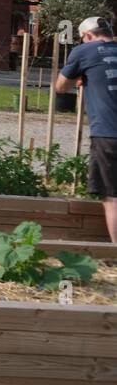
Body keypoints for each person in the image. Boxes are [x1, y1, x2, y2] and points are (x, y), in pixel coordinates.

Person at [55, 15, 117, 243]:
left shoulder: (84, 52)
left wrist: (81, 76)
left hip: (108, 134)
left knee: (111, 196)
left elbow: (60, 87)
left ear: (88, 36)